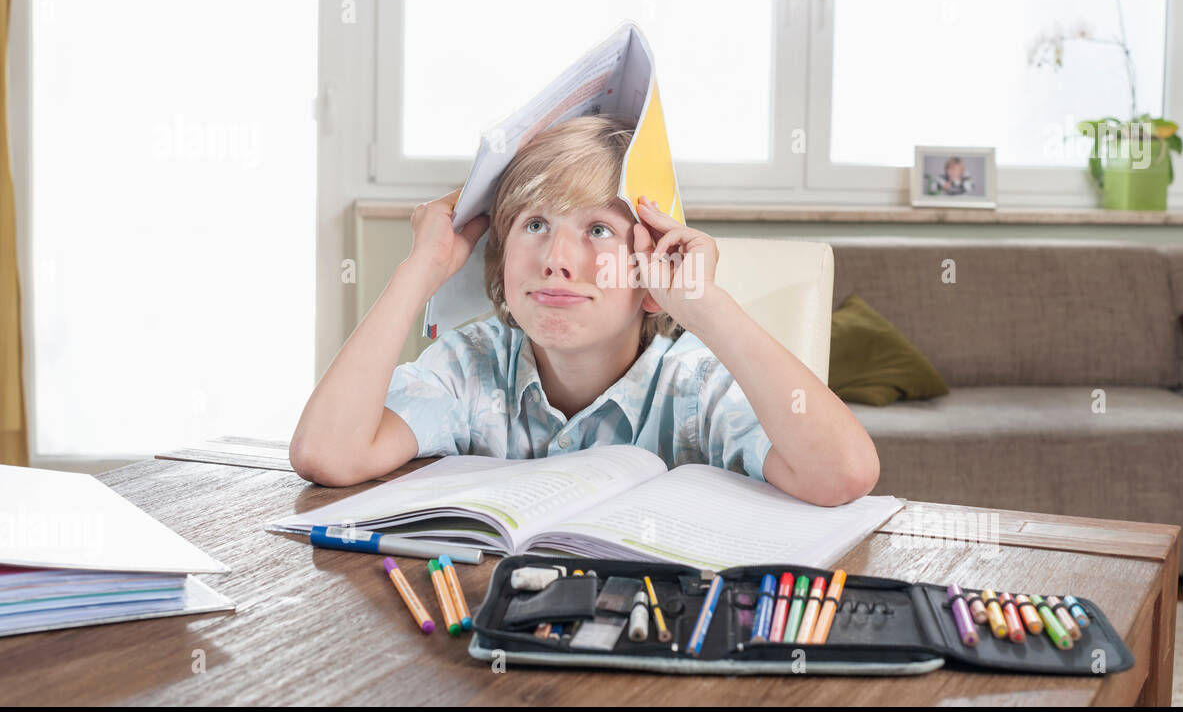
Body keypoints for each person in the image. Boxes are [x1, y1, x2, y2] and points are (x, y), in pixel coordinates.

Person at [289, 115, 879, 506]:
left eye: (597, 228)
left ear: (650, 276)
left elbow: (844, 473)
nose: (556, 259)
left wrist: (704, 306)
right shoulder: (471, 365)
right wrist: (419, 270)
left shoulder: (695, 386)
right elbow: (327, 454)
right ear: (499, 264)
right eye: (536, 224)